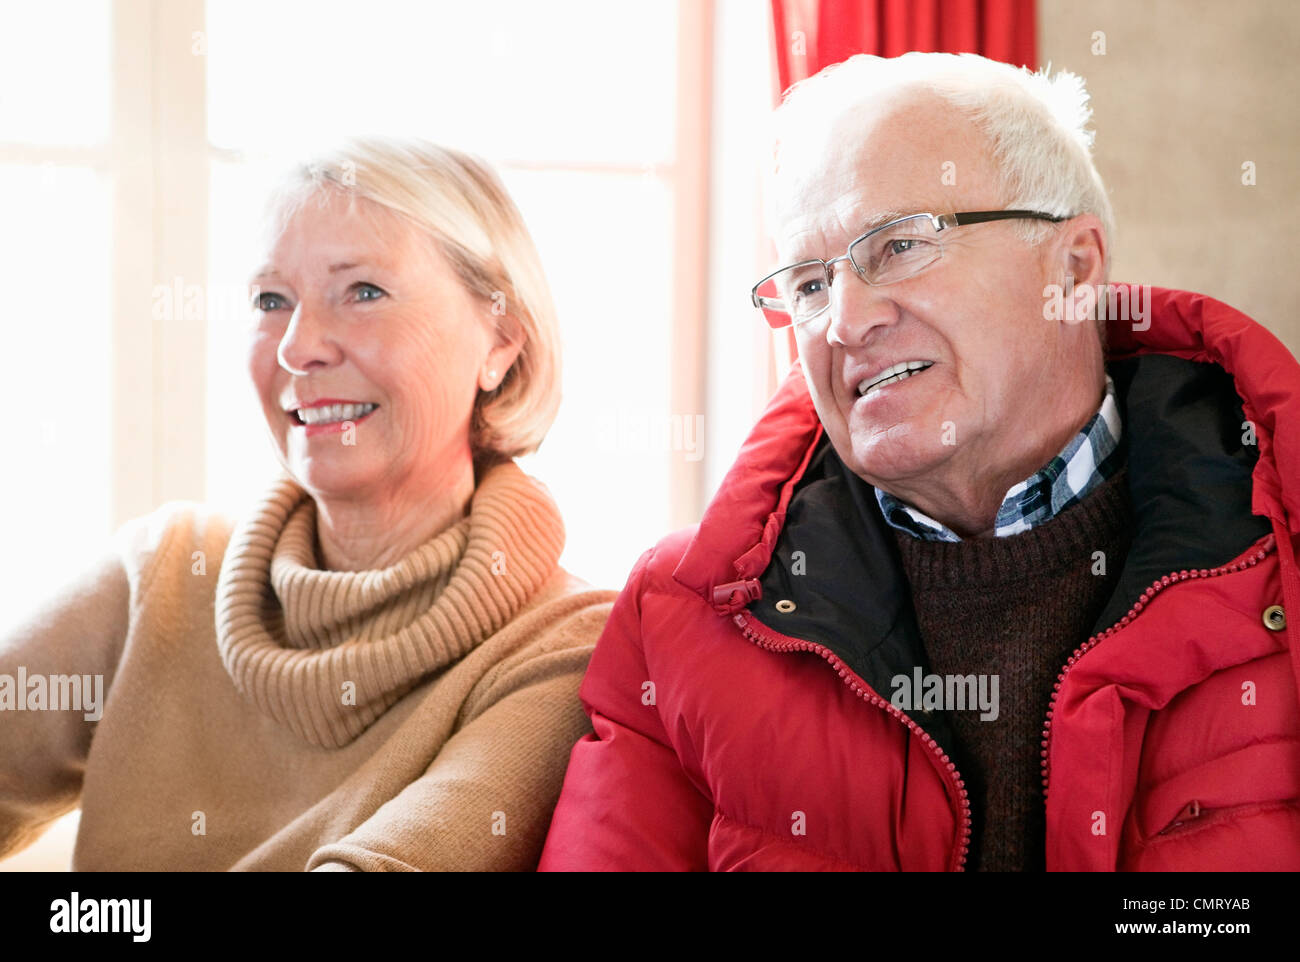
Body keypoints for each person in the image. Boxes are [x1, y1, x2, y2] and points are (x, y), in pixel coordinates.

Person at [540, 52, 1300, 871]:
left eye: (899, 244)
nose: (844, 321)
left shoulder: (1279, 541)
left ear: (1074, 269)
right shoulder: (679, 615)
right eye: (807, 284)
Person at [0, 137, 615, 871]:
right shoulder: (162, 575)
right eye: (271, 300)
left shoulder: (563, 648)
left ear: (502, 341)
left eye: (362, 292)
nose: (298, 347)